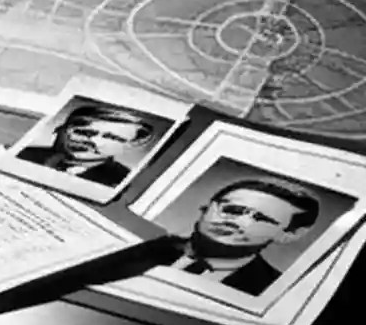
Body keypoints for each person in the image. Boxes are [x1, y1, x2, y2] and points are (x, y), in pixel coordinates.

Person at [164, 178, 320, 296]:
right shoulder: (153, 243)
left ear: (288, 235)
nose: (237, 222)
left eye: (261, 219)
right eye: (232, 210)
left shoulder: (275, 293)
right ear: (206, 209)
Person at [16, 104, 157, 187]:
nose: (94, 141)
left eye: (112, 137)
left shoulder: (121, 180)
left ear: (127, 146)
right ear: (62, 130)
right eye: (84, 132)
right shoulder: (24, 154)